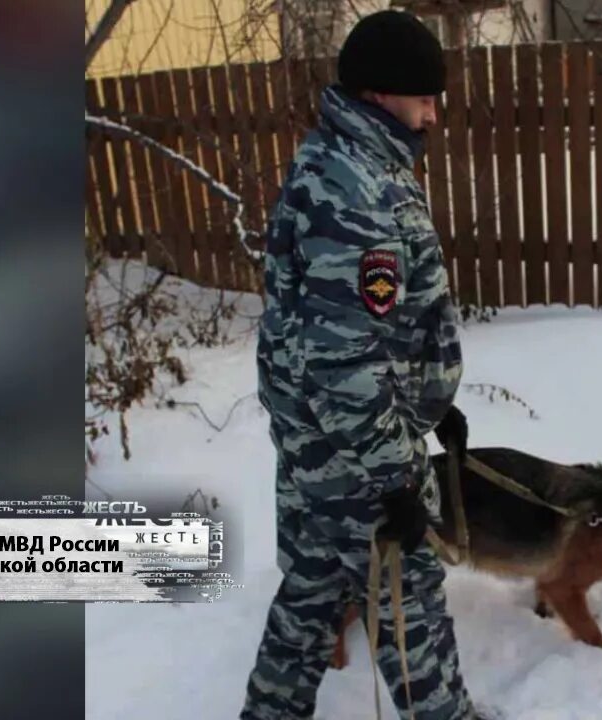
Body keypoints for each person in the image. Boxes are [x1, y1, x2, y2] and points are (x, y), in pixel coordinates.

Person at [240, 9, 476, 720]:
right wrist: (394, 473)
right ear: (380, 95)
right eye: (424, 98)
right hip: (353, 449)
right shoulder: (353, 189)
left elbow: (373, 325)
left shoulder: (356, 161)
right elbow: (343, 356)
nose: (434, 115)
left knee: (315, 590)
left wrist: (433, 397)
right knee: (408, 601)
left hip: (331, 440)